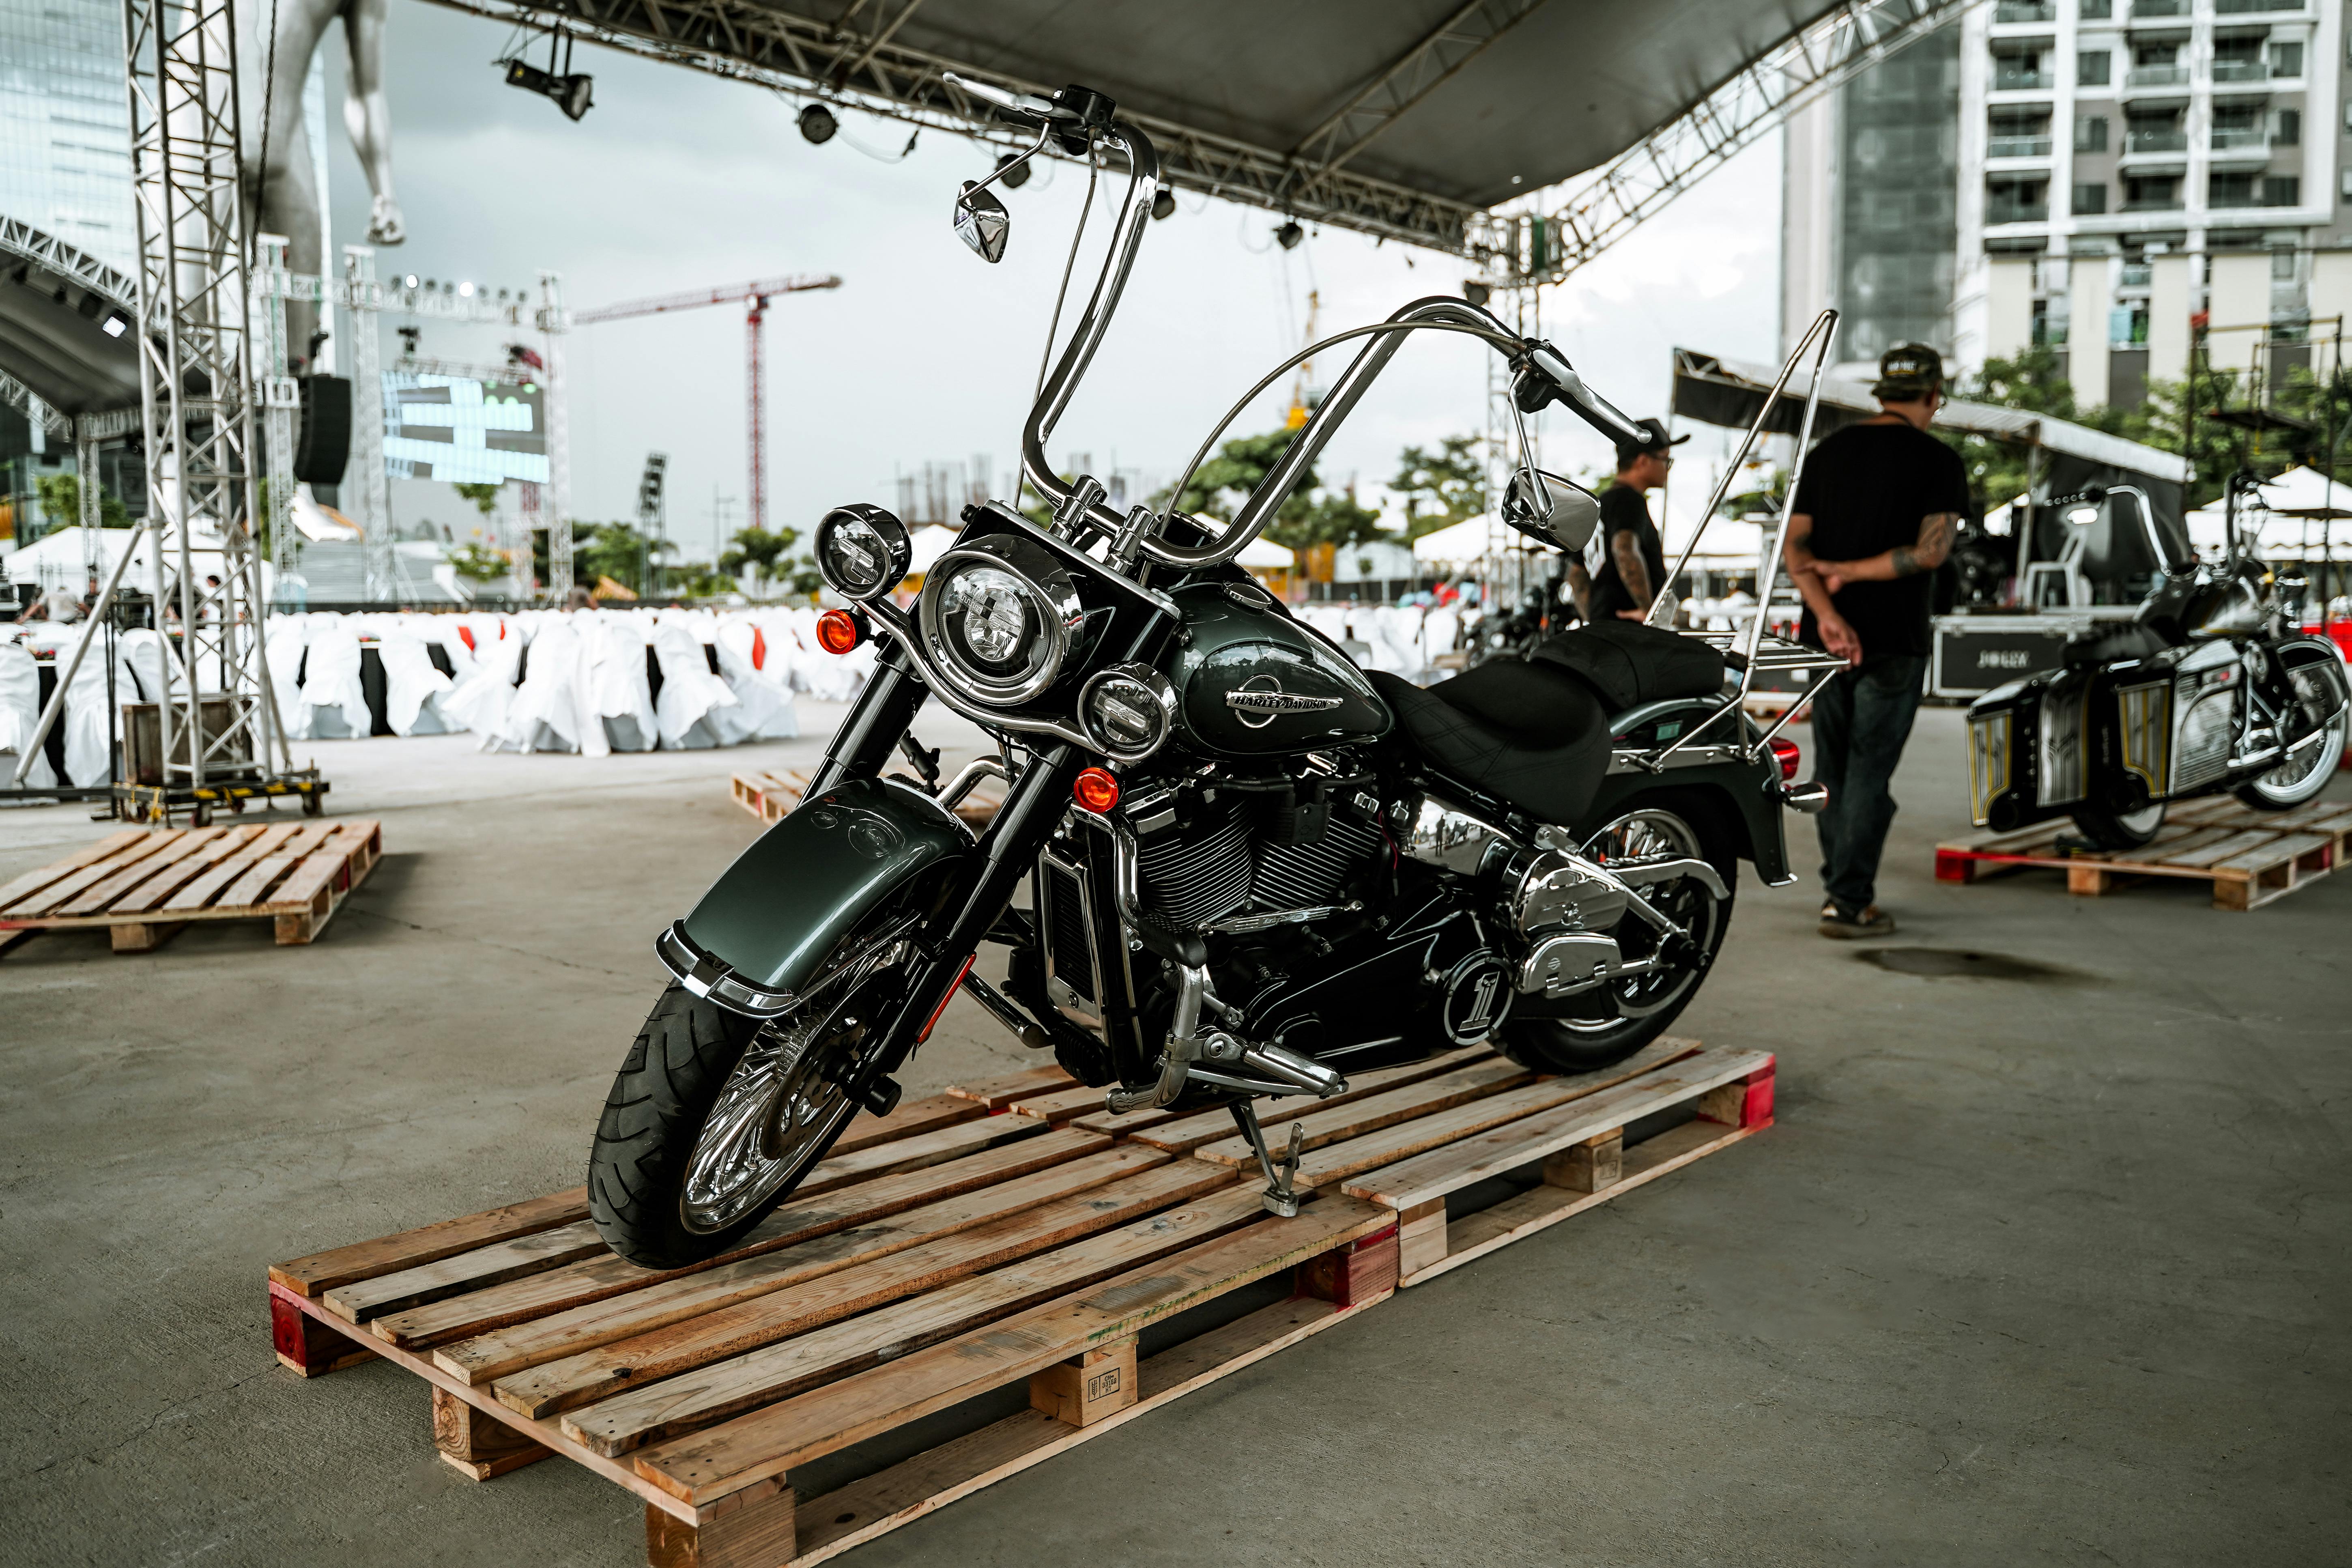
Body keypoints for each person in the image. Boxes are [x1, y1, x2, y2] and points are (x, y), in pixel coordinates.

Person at [1786, 342, 1968, 939]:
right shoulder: (1937, 460)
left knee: (1832, 768)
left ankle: (1838, 886)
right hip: (1894, 639)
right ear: (1933, 396)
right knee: (1868, 772)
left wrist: (1828, 611)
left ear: (1881, 391)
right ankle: (1847, 898)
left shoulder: (1827, 453)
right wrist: (1855, 573)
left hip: (1825, 637)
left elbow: (1795, 553)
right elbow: (1930, 553)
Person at [1569, 416, 1688, 624]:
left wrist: (1594, 620)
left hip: (1606, 631)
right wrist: (1647, 612)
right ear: (1643, 461)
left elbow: (1576, 574)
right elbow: (1624, 550)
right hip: (1630, 633)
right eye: (1666, 460)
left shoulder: (1600, 505)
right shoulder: (1629, 500)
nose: (1668, 469)